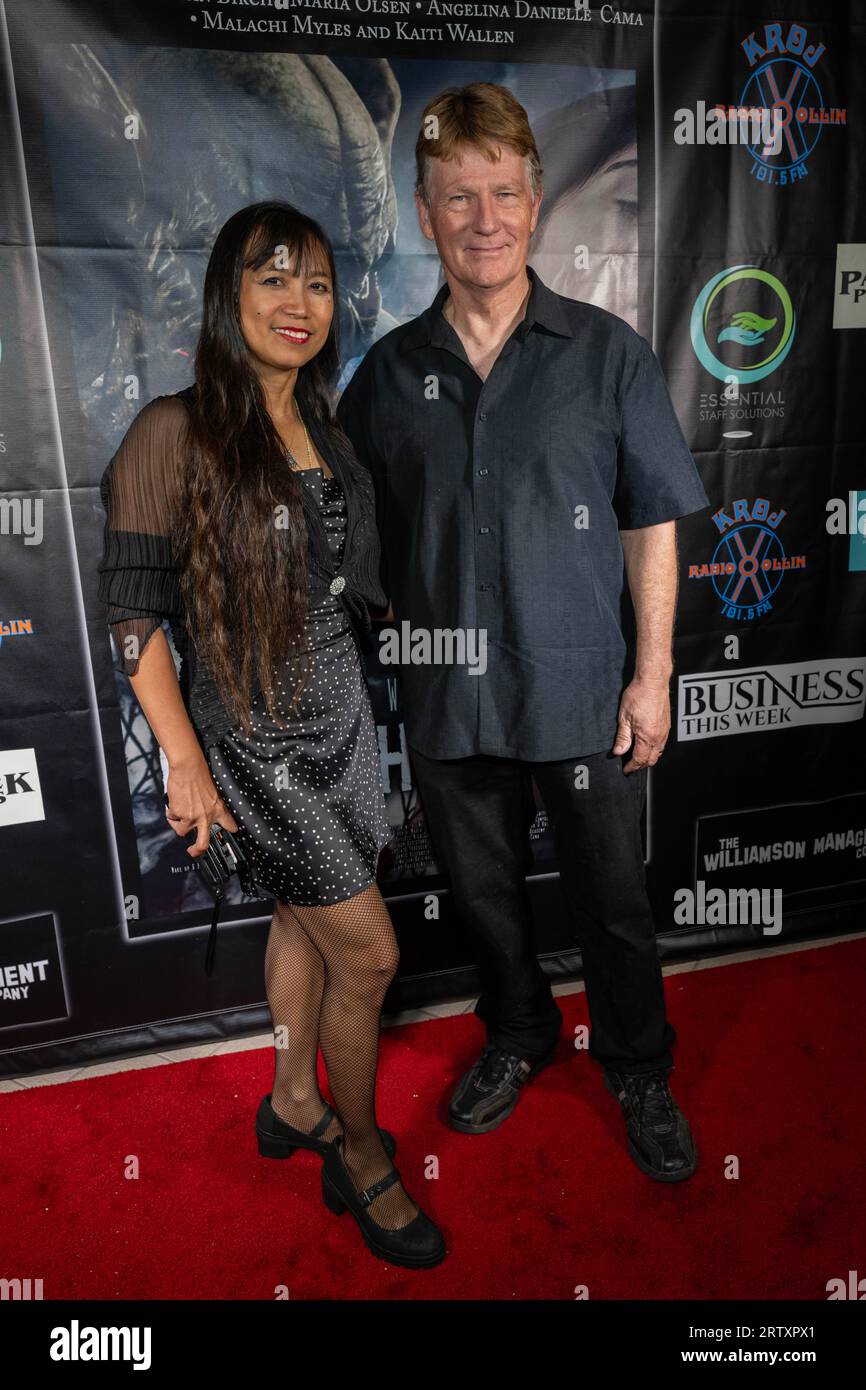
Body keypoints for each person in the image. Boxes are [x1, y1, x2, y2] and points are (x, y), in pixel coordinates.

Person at [336, 84, 710, 1182]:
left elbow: (650, 525)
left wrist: (652, 674)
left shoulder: (606, 354)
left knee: (613, 902)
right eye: (459, 196)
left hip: (584, 691)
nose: (483, 216)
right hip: (450, 699)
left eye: (502, 192)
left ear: (537, 204)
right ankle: (518, 1031)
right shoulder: (385, 377)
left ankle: (637, 1064)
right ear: (423, 213)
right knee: (485, 901)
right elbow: (354, 539)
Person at [97, 201, 446, 1267]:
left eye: (316, 284)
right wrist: (188, 765)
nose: (299, 304)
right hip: (254, 746)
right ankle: (360, 1151)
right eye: (273, 279)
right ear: (227, 294)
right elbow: (134, 617)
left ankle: (293, 1097)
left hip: (341, 723)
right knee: (372, 957)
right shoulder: (174, 429)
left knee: (303, 927)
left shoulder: (325, 422)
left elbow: (341, 585)